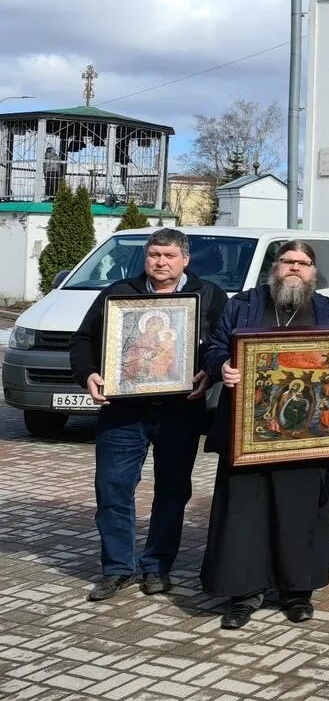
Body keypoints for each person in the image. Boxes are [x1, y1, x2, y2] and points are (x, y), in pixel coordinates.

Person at [202, 241, 329, 630]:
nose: (295, 268)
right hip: (248, 436)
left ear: (314, 272)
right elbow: (213, 348)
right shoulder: (242, 305)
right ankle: (243, 594)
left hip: (309, 440)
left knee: (300, 515)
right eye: (288, 261)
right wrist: (222, 365)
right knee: (246, 515)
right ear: (275, 267)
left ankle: (296, 592)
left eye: (303, 263)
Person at [70, 228, 227, 601]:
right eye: (154, 255)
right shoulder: (119, 293)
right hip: (124, 412)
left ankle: (157, 565)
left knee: (172, 490)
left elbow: (222, 345)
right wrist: (88, 374)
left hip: (180, 410)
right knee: (113, 487)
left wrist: (210, 372)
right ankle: (117, 568)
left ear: (185, 259)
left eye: (169, 256)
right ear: (146, 258)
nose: (161, 262)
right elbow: (83, 340)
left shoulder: (209, 295)